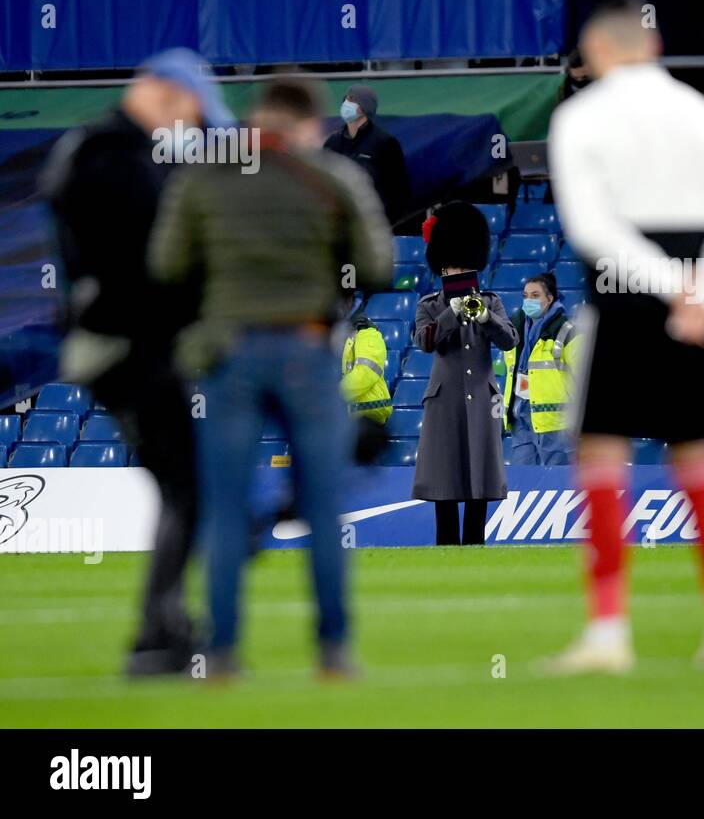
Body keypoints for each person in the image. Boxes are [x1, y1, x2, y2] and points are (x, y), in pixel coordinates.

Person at [546, 0, 704, 673]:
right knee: (695, 459)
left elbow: (592, 228)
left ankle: (609, 632)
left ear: (600, 51)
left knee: (603, 458)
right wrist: (703, 291)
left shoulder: (581, 118)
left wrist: (667, 286)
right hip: (695, 294)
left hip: (622, 292)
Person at [149, 77, 393, 679]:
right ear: (309, 124)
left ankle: (224, 653)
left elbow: (166, 265)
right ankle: (334, 652)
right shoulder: (334, 176)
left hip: (229, 352)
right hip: (306, 351)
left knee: (227, 509)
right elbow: (379, 265)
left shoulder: (204, 177)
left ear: (254, 119)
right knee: (324, 504)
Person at [41, 48, 231, 677]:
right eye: (194, 120)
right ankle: (160, 633)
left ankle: (166, 626)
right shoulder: (111, 158)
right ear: (163, 96)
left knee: (186, 481)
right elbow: (143, 268)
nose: (194, 137)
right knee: (187, 481)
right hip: (126, 343)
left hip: (122, 341)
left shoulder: (104, 152)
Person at [411, 202, 518, 546]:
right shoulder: (429, 304)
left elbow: (509, 339)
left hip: (481, 397)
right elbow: (425, 342)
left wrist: (485, 317)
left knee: (480, 479)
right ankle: (445, 546)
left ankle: (476, 544)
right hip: (446, 400)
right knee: (445, 480)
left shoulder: (490, 300)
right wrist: (450, 315)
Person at [502, 273, 579, 466]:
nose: (529, 300)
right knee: (523, 480)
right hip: (520, 417)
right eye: (525, 296)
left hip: (556, 422)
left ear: (550, 298)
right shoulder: (514, 330)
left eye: (535, 296)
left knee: (558, 483)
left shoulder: (567, 330)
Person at [323, 85, 417, 236]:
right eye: (345, 99)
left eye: (351, 100)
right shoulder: (332, 142)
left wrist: (383, 224)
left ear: (364, 107)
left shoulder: (385, 143)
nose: (346, 104)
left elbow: (399, 191)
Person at [340, 312, 393, 425]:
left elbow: (365, 374)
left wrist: (335, 395)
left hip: (368, 416)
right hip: (347, 417)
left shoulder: (368, 335)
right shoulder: (337, 338)